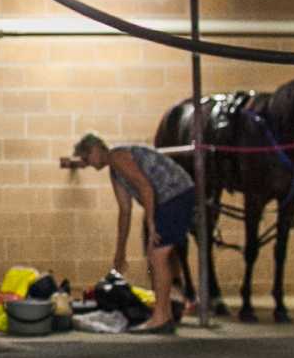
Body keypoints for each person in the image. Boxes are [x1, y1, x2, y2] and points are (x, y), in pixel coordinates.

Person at [61, 132, 195, 333]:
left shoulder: (118, 156)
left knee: (158, 255)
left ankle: (161, 318)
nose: (89, 164)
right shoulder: (115, 171)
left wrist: (151, 224)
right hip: (168, 199)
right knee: (157, 255)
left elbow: (146, 188)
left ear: (96, 150)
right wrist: (119, 252)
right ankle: (164, 314)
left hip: (175, 194)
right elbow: (125, 212)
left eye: (87, 159)